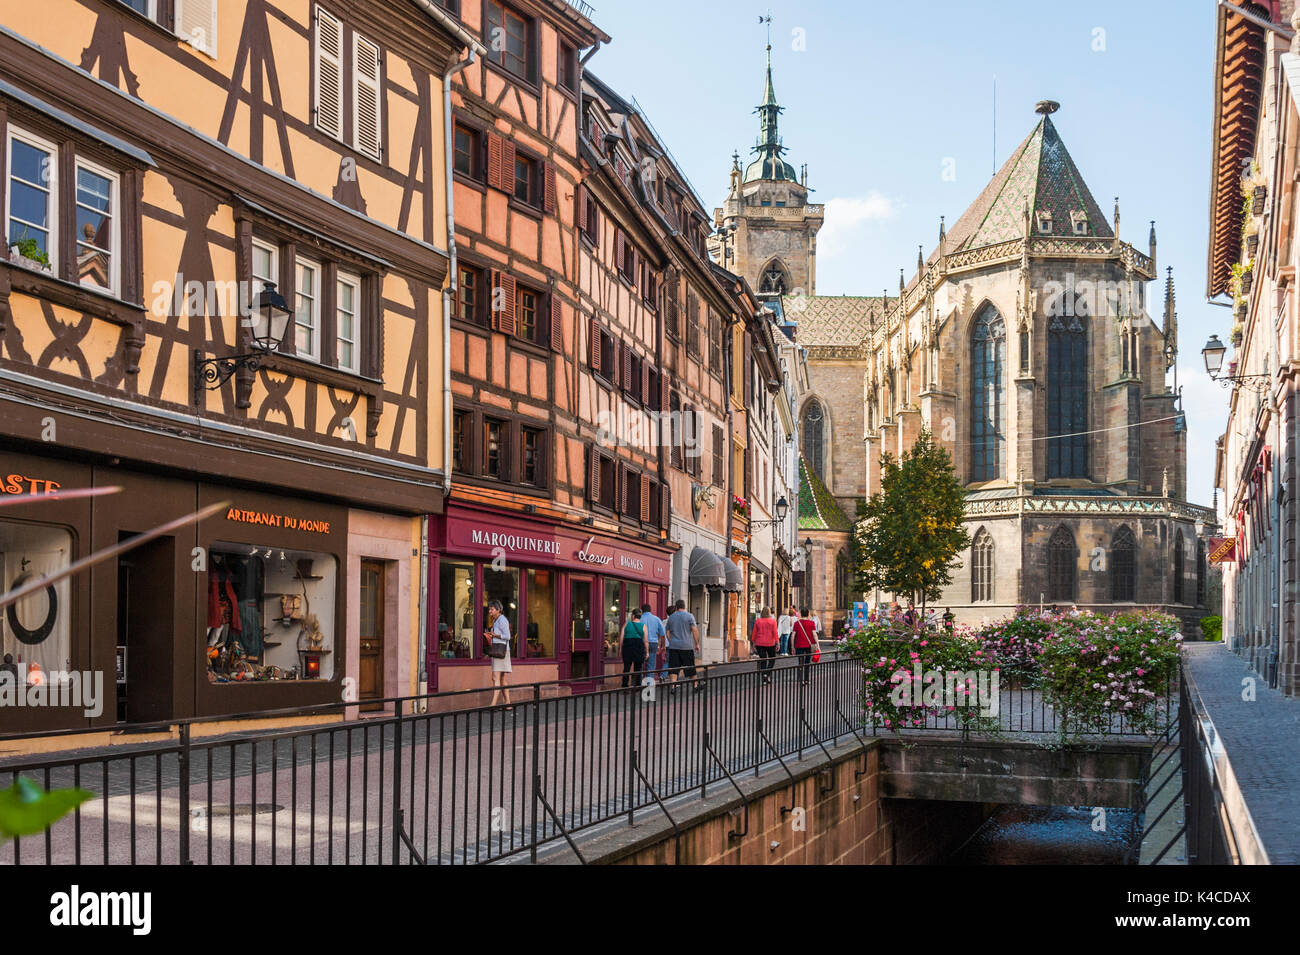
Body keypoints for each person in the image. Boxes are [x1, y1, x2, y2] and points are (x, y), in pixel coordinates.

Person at [664, 599, 701, 691]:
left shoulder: (671, 617)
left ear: (676, 607)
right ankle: (695, 685)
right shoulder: (689, 616)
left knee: (673, 667)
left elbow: (667, 632)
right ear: (684, 606)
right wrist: (697, 643)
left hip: (674, 646)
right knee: (690, 667)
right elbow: (695, 630)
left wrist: (671, 640)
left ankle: (673, 686)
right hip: (686, 646)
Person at [485, 600, 512, 707]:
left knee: (495, 677)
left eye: (492, 609)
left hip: (501, 652)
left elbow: (508, 636)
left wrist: (495, 635)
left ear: (498, 610)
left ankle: (493, 705)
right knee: (501, 678)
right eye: (489, 609)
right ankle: (508, 704)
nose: (490, 611)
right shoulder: (496, 620)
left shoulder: (502, 620)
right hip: (498, 652)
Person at [750, 607, 779, 685]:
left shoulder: (758, 621)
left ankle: (764, 677)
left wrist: (753, 642)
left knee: (763, 660)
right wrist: (777, 642)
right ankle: (767, 674)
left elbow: (754, 632)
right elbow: (775, 633)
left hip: (760, 643)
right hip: (770, 643)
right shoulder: (772, 621)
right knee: (772, 659)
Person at [620, 607, 647, 689]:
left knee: (626, 667)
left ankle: (625, 686)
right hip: (638, 646)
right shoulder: (643, 626)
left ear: (633, 615)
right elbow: (646, 641)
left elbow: (621, 637)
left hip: (627, 646)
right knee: (638, 667)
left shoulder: (626, 624)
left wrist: (620, 649)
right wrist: (647, 651)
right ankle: (637, 685)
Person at [640, 603, 666, 683]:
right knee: (650, 666)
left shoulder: (639, 619)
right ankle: (648, 685)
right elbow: (662, 634)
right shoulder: (656, 619)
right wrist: (662, 646)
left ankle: (639, 683)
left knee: (639, 665)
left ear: (642, 611)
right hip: (653, 644)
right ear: (650, 610)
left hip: (641, 643)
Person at [793, 607, 818, 687]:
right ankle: (806, 680)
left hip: (799, 645)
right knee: (807, 663)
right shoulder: (811, 623)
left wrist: (792, 646)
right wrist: (817, 644)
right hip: (808, 646)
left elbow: (793, 636)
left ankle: (801, 680)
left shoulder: (797, 623)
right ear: (807, 614)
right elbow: (814, 634)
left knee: (800, 663)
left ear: (801, 614)